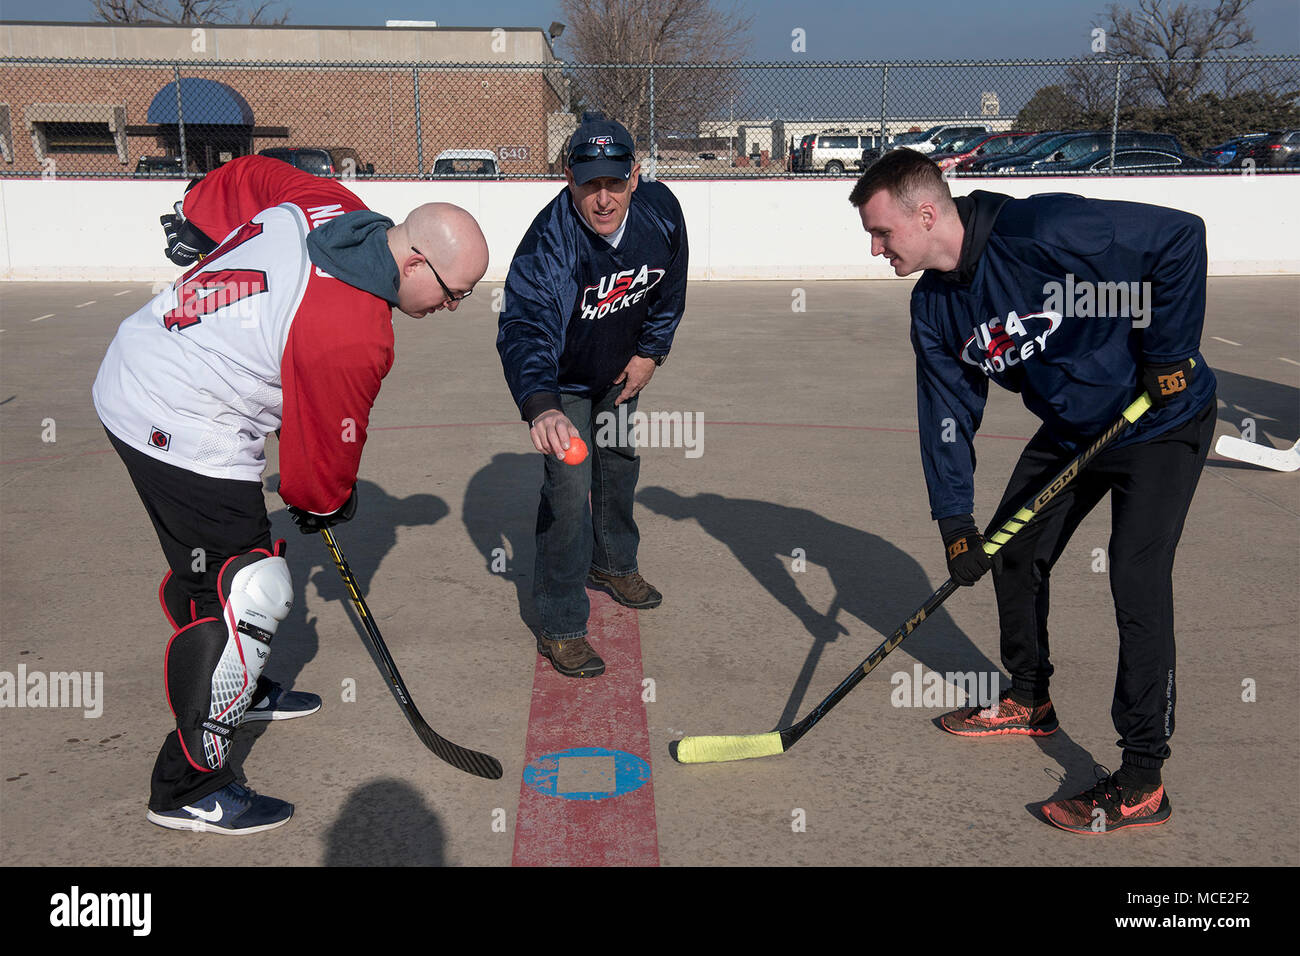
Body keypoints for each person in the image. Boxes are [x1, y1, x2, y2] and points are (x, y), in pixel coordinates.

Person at [93, 155, 488, 833]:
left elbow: (249, 175)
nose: (451, 309)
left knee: (217, 566)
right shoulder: (355, 333)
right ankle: (188, 787)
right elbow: (316, 474)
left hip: (140, 373)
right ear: (416, 261)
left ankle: (233, 688)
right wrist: (328, 502)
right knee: (255, 588)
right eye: (454, 293)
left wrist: (197, 211)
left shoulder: (328, 201)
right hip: (180, 418)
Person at [848, 149, 1216, 834]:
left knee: (1135, 578)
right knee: (1010, 549)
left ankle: (1141, 779)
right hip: (1077, 429)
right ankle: (1029, 697)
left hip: (1159, 415)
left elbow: (1179, 237)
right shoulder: (935, 308)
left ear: (927, 214)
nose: (875, 249)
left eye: (882, 233)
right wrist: (956, 522)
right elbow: (948, 414)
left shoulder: (1043, 230)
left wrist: (1168, 352)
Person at [497, 113, 688, 678]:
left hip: (622, 371)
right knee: (568, 488)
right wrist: (541, 403)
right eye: (588, 184)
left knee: (621, 461)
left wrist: (652, 351)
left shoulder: (661, 212)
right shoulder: (550, 243)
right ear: (567, 178)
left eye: (613, 182)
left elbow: (670, 285)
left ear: (634, 176)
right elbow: (526, 326)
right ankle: (560, 625)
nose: (602, 199)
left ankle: (613, 563)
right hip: (564, 383)